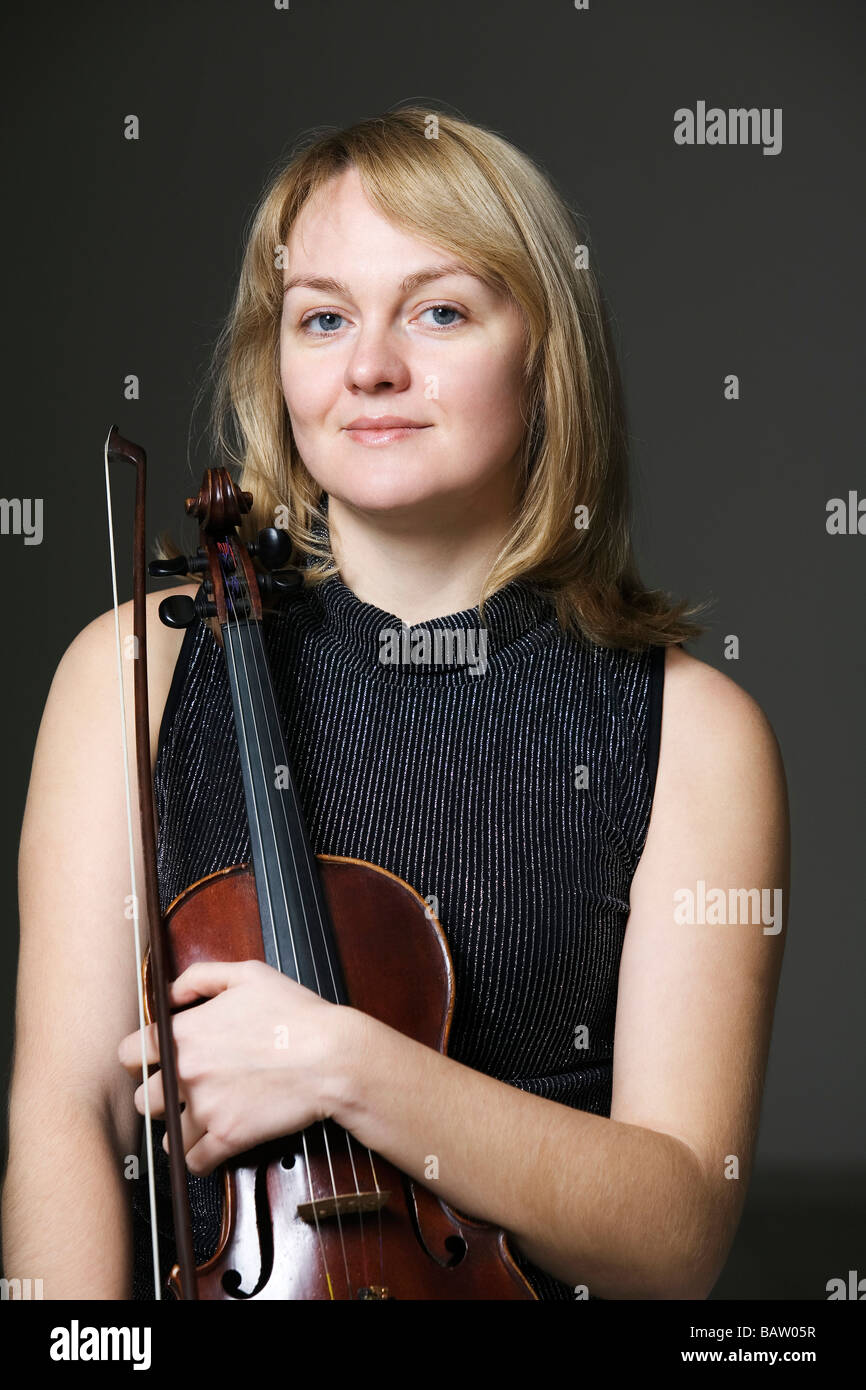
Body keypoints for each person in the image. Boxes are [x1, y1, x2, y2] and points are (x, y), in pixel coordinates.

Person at [2, 106, 789, 1301]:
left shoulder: (688, 729)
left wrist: (343, 1064)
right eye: (323, 316)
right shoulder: (138, 670)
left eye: (438, 310)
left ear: (542, 351)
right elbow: (70, 1105)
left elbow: (672, 1236)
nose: (369, 366)